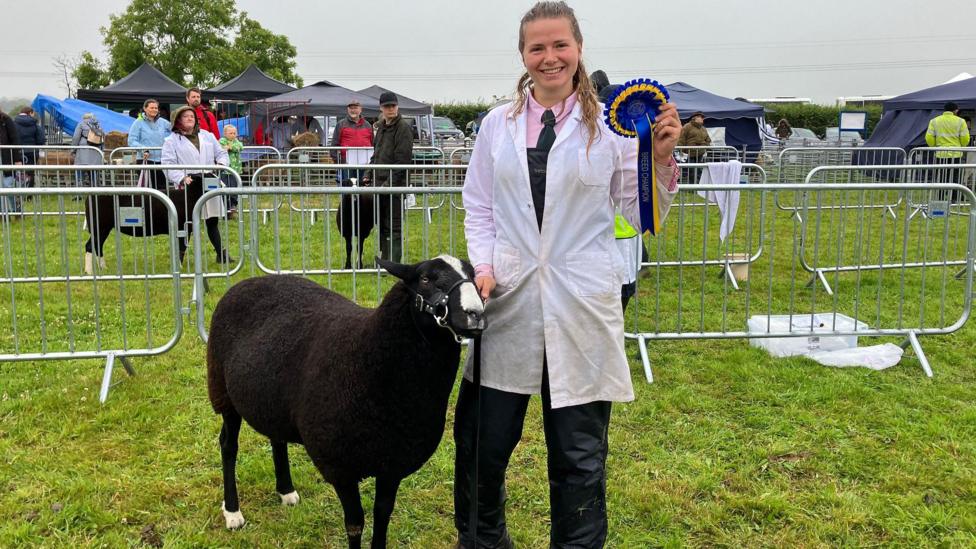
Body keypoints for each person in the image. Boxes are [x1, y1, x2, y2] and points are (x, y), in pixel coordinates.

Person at [455, 2, 680, 547]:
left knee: (579, 458)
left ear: (578, 49)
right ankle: (482, 541)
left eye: (560, 45)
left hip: (580, 304)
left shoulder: (613, 128)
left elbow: (637, 211)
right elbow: (479, 205)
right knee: (482, 447)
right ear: (523, 55)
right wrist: (483, 268)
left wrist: (661, 159)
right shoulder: (495, 126)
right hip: (506, 300)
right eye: (538, 47)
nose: (550, 57)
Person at [161, 105, 234, 264]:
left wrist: (221, 165)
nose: (189, 118)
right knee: (186, 222)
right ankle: (179, 257)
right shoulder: (171, 141)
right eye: (185, 116)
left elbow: (221, 153)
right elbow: (167, 164)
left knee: (212, 220)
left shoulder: (207, 136)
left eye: (192, 116)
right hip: (188, 185)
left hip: (209, 182)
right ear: (178, 120)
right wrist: (181, 177)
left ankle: (221, 254)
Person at [365, 91, 413, 262]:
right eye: (387, 106)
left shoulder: (403, 128)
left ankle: (393, 262)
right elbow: (376, 155)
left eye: (393, 106)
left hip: (394, 187)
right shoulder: (381, 128)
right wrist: (368, 174)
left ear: (397, 106)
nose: (390, 109)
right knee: (383, 226)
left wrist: (388, 185)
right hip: (379, 186)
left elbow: (403, 162)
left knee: (394, 227)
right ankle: (385, 260)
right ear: (381, 108)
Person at [127, 98, 172, 190]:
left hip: (161, 161)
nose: (154, 110)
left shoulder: (163, 122)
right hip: (145, 160)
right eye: (151, 108)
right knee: (147, 190)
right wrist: (143, 149)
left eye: (156, 108)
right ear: (145, 108)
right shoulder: (138, 122)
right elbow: (131, 140)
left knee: (162, 189)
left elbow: (174, 129)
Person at [330, 99, 374, 182]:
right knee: (347, 188)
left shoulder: (367, 125)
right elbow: (334, 144)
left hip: (365, 164)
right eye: (351, 108)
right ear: (348, 110)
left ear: (360, 109)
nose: (353, 110)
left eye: (355, 108)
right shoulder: (341, 124)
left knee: (363, 188)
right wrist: (338, 162)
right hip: (346, 164)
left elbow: (373, 143)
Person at [13, 107, 45, 188]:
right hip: (32, 152)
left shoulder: (13, 123)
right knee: (31, 172)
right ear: (30, 113)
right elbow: (41, 139)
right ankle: (29, 195)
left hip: (17, 152)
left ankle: (18, 193)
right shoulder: (35, 124)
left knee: (18, 172)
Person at [0, 108, 24, 215]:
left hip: (6, 157)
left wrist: (17, 159)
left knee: (8, 186)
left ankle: (16, 211)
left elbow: (15, 139)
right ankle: (2, 214)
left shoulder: (6, 120)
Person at [71, 113, 105, 187]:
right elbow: (102, 139)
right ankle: (94, 193)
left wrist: (73, 150)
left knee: (80, 173)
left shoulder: (81, 124)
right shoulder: (98, 126)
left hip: (83, 151)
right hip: (96, 151)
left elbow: (76, 138)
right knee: (94, 173)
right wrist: (102, 151)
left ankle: (79, 193)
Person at [219, 124, 244, 213]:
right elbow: (221, 148)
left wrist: (230, 147)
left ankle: (233, 204)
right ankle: (226, 206)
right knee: (225, 188)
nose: (233, 135)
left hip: (235, 170)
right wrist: (227, 148)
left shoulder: (236, 141)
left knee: (234, 188)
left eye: (234, 133)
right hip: (225, 170)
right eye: (230, 133)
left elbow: (240, 147)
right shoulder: (222, 141)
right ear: (225, 134)